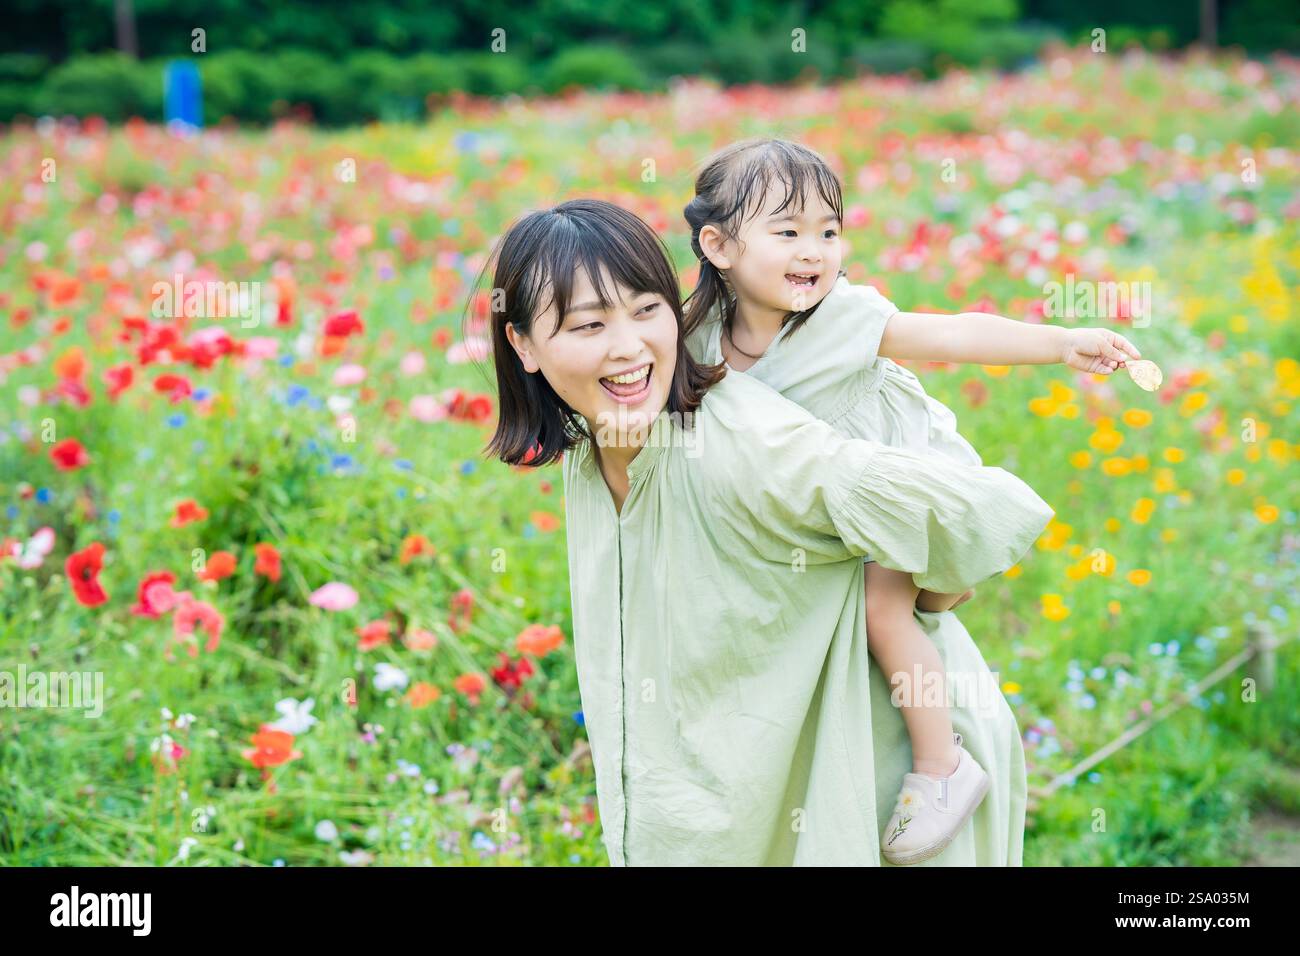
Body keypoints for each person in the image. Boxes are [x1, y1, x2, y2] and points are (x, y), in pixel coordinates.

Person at [481, 198, 1054, 865]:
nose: (629, 347)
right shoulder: (590, 449)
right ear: (522, 343)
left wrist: (928, 590)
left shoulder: (744, 444)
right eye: (589, 325)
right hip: (765, 808)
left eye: (646, 310)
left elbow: (981, 511)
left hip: (890, 798)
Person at [683, 137, 1141, 862]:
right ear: (718, 244)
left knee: (884, 610)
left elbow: (954, 333)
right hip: (809, 503)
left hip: (884, 480)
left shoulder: (844, 316)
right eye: (788, 231)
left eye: (829, 232)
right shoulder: (698, 338)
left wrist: (1061, 342)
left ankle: (941, 766)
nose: (815, 251)